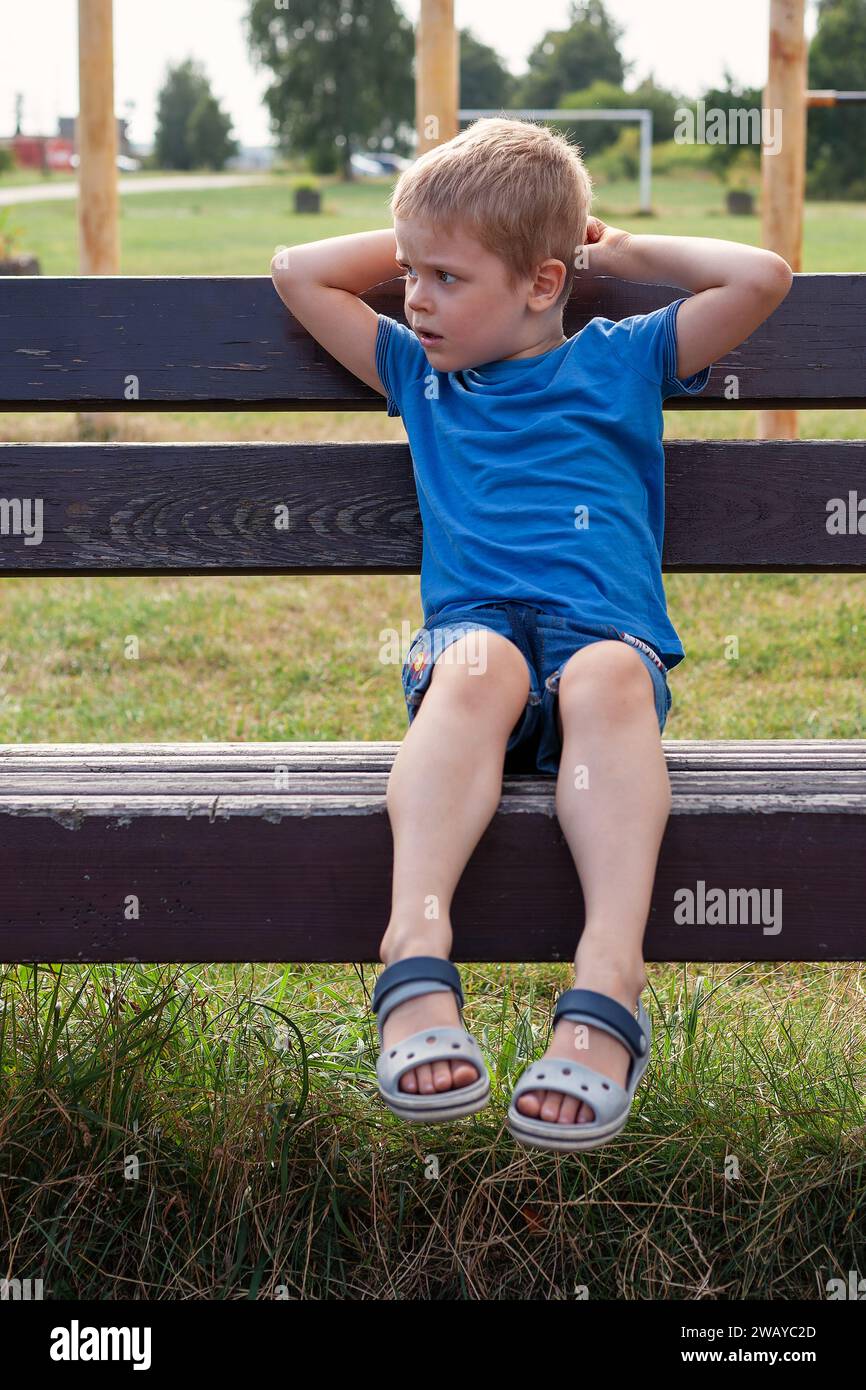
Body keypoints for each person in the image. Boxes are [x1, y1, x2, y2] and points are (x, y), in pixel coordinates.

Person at [270, 117, 793, 1153]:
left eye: (446, 279)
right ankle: (412, 955)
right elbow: (297, 272)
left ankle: (608, 978)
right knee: (474, 666)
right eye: (411, 273)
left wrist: (617, 251)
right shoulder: (419, 374)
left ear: (542, 283)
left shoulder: (623, 356)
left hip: (603, 641)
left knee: (605, 677)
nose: (413, 298)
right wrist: (432, 232)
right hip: (480, 650)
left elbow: (761, 277)